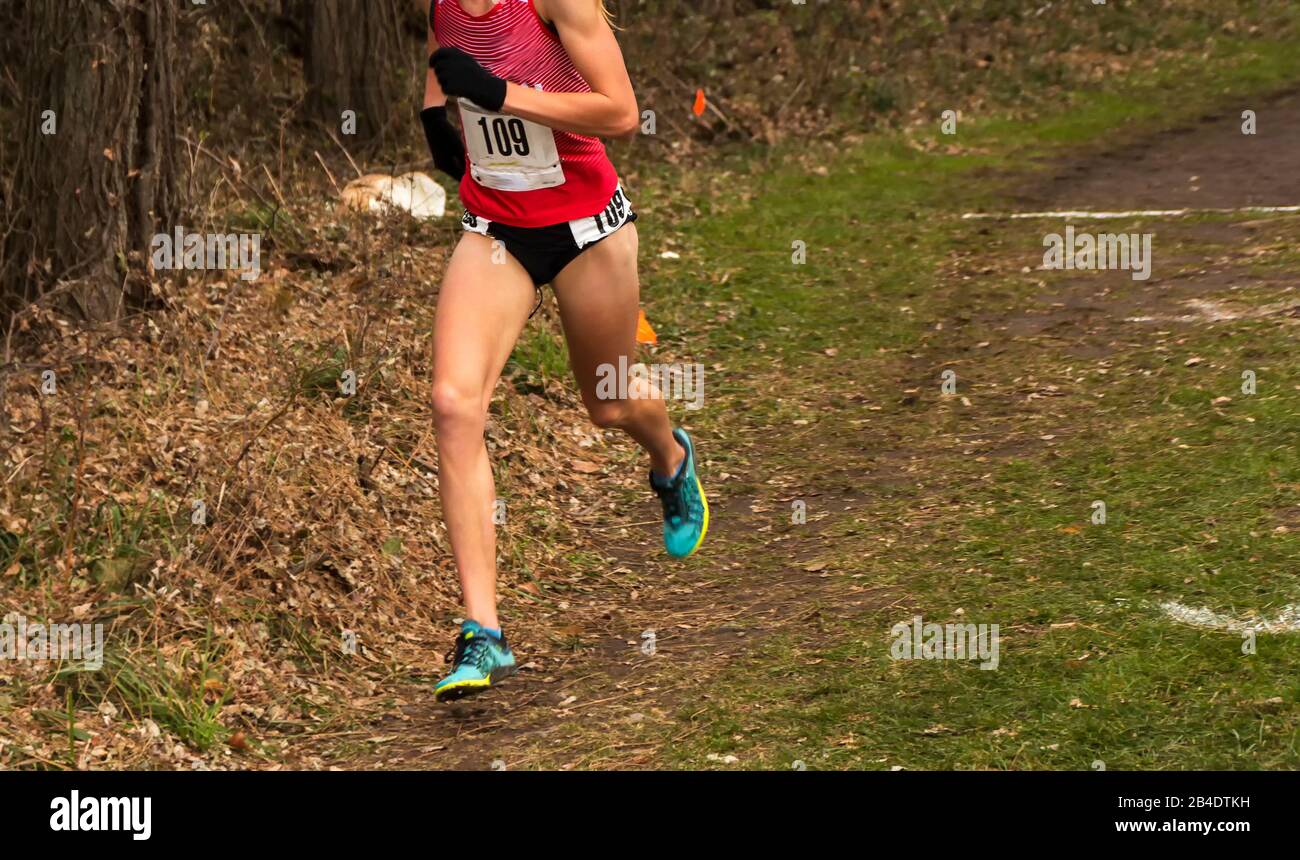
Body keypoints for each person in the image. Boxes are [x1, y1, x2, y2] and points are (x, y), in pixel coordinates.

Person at [419, 0, 708, 702]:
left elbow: (620, 112)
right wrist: (438, 118)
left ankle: (670, 457)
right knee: (453, 404)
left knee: (608, 406)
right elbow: (445, 63)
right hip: (496, 229)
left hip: (589, 229)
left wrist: (502, 96)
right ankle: (482, 630)